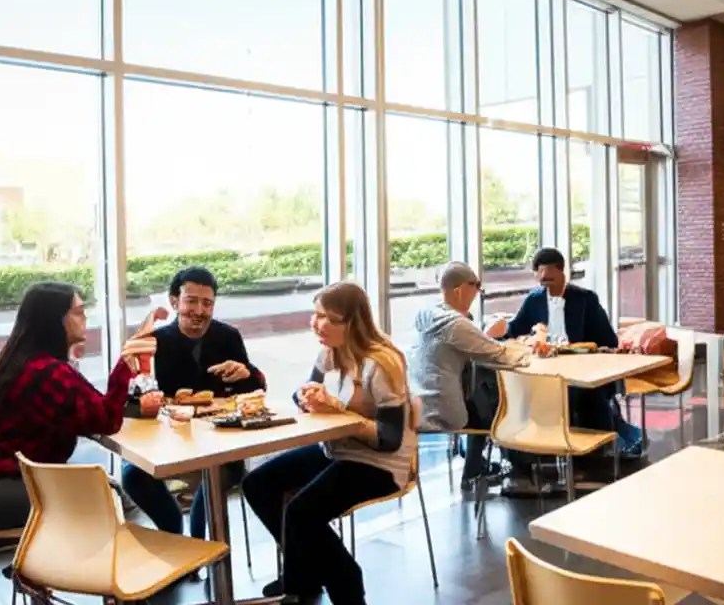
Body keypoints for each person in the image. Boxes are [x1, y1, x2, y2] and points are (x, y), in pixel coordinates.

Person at [242, 282, 417, 605]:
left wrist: (340, 411)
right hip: (335, 450)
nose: (317, 324)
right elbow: (304, 391)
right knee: (257, 484)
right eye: (316, 314)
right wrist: (306, 396)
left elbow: (389, 440)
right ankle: (304, 573)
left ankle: (345, 582)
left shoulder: (381, 364)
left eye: (330, 319)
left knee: (301, 513)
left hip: (378, 464)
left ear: (354, 323)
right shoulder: (329, 354)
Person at [0, 281, 148, 532]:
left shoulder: (26, 361)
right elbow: (106, 420)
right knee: (103, 496)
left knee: (107, 488)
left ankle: (62, 567)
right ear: (55, 321)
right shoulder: (45, 372)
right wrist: (125, 365)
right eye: (77, 312)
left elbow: (90, 408)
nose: (85, 317)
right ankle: (125, 564)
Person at [120, 267, 265, 542]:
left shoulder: (228, 337)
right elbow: (129, 402)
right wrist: (146, 404)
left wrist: (246, 374)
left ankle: (200, 544)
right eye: (191, 301)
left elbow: (255, 391)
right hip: (168, 442)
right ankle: (174, 533)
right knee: (132, 476)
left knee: (216, 475)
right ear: (174, 302)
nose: (199, 310)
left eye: (207, 303)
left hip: (221, 444)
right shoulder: (153, 343)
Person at [497, 247, 642, 457]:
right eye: (542, 281)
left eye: (550, 279)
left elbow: (607, 339)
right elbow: (514, 331)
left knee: (586, 394)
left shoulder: (585, 299)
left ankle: (608, 443)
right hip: (546, 369)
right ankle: (533, 451)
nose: (546, 285)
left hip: (582, 366)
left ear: (562, 272)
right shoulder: (534, 299)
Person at [408, 261, 531, 489]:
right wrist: (531, 348)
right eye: (475, 285)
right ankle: (520, 470)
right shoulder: (455, 325)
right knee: (506, 404)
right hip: (444, 411)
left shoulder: (427, 313)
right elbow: (500, 355)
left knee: (483, 393)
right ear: (459, 290)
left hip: (419, 403)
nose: (477, 292)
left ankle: (476, 467)